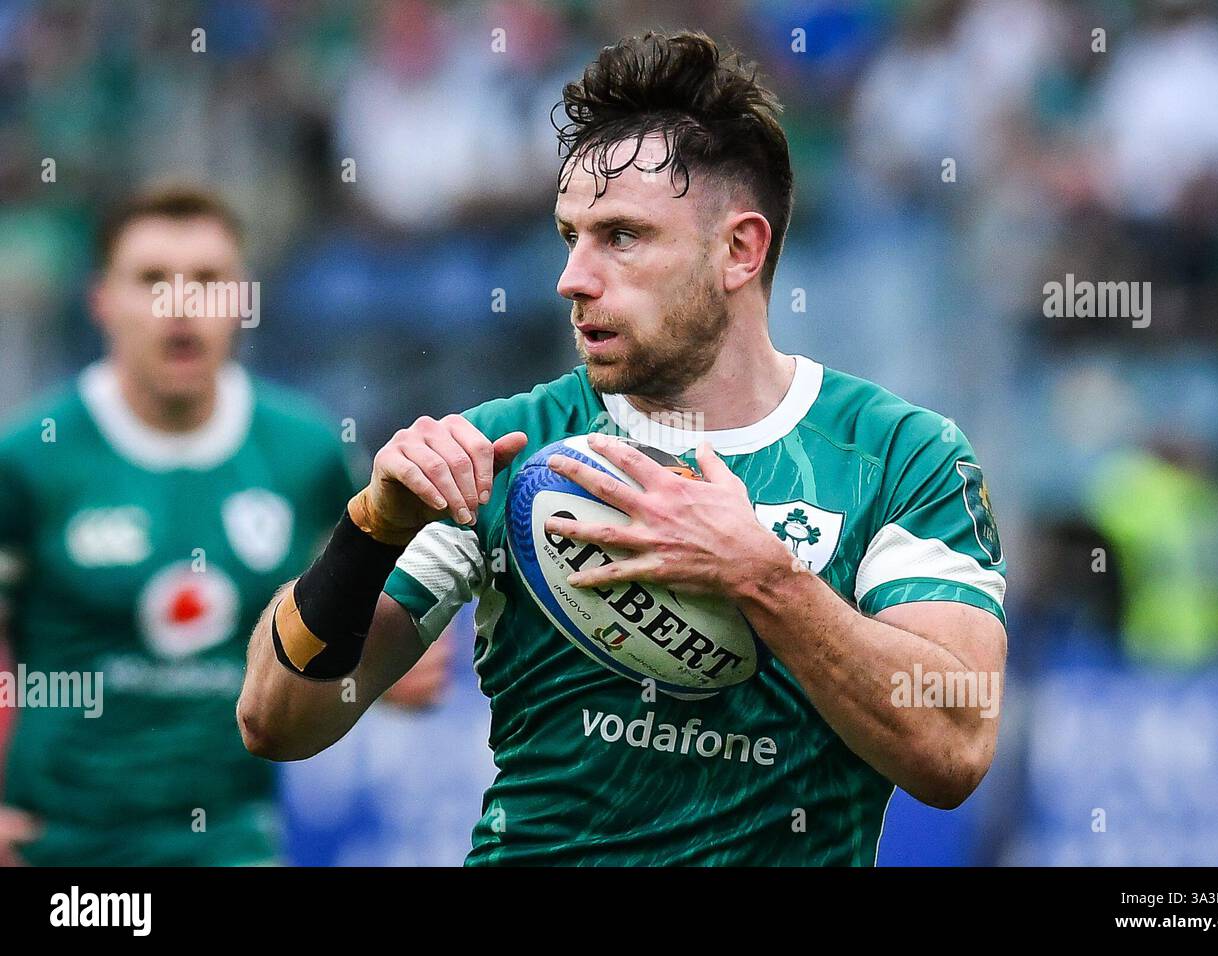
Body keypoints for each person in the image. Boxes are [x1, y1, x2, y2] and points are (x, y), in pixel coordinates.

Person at [238, 31, 1009, 865]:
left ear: (739, 250)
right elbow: (276, 721)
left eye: (622, 237)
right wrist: (369, 531)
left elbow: (953, 749)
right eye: (570, 235)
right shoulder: (508, 448)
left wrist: (762, 577)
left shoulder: (898, 457)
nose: (572, 276)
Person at [0, 185, 425, 866]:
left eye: (206, 279)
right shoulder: (30, 456)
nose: (180, 305)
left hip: (234, 842)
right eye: (151, 280)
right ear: (101, 301)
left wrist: (391, 663)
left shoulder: (305, 452)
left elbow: (374, 622)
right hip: (60, 848)